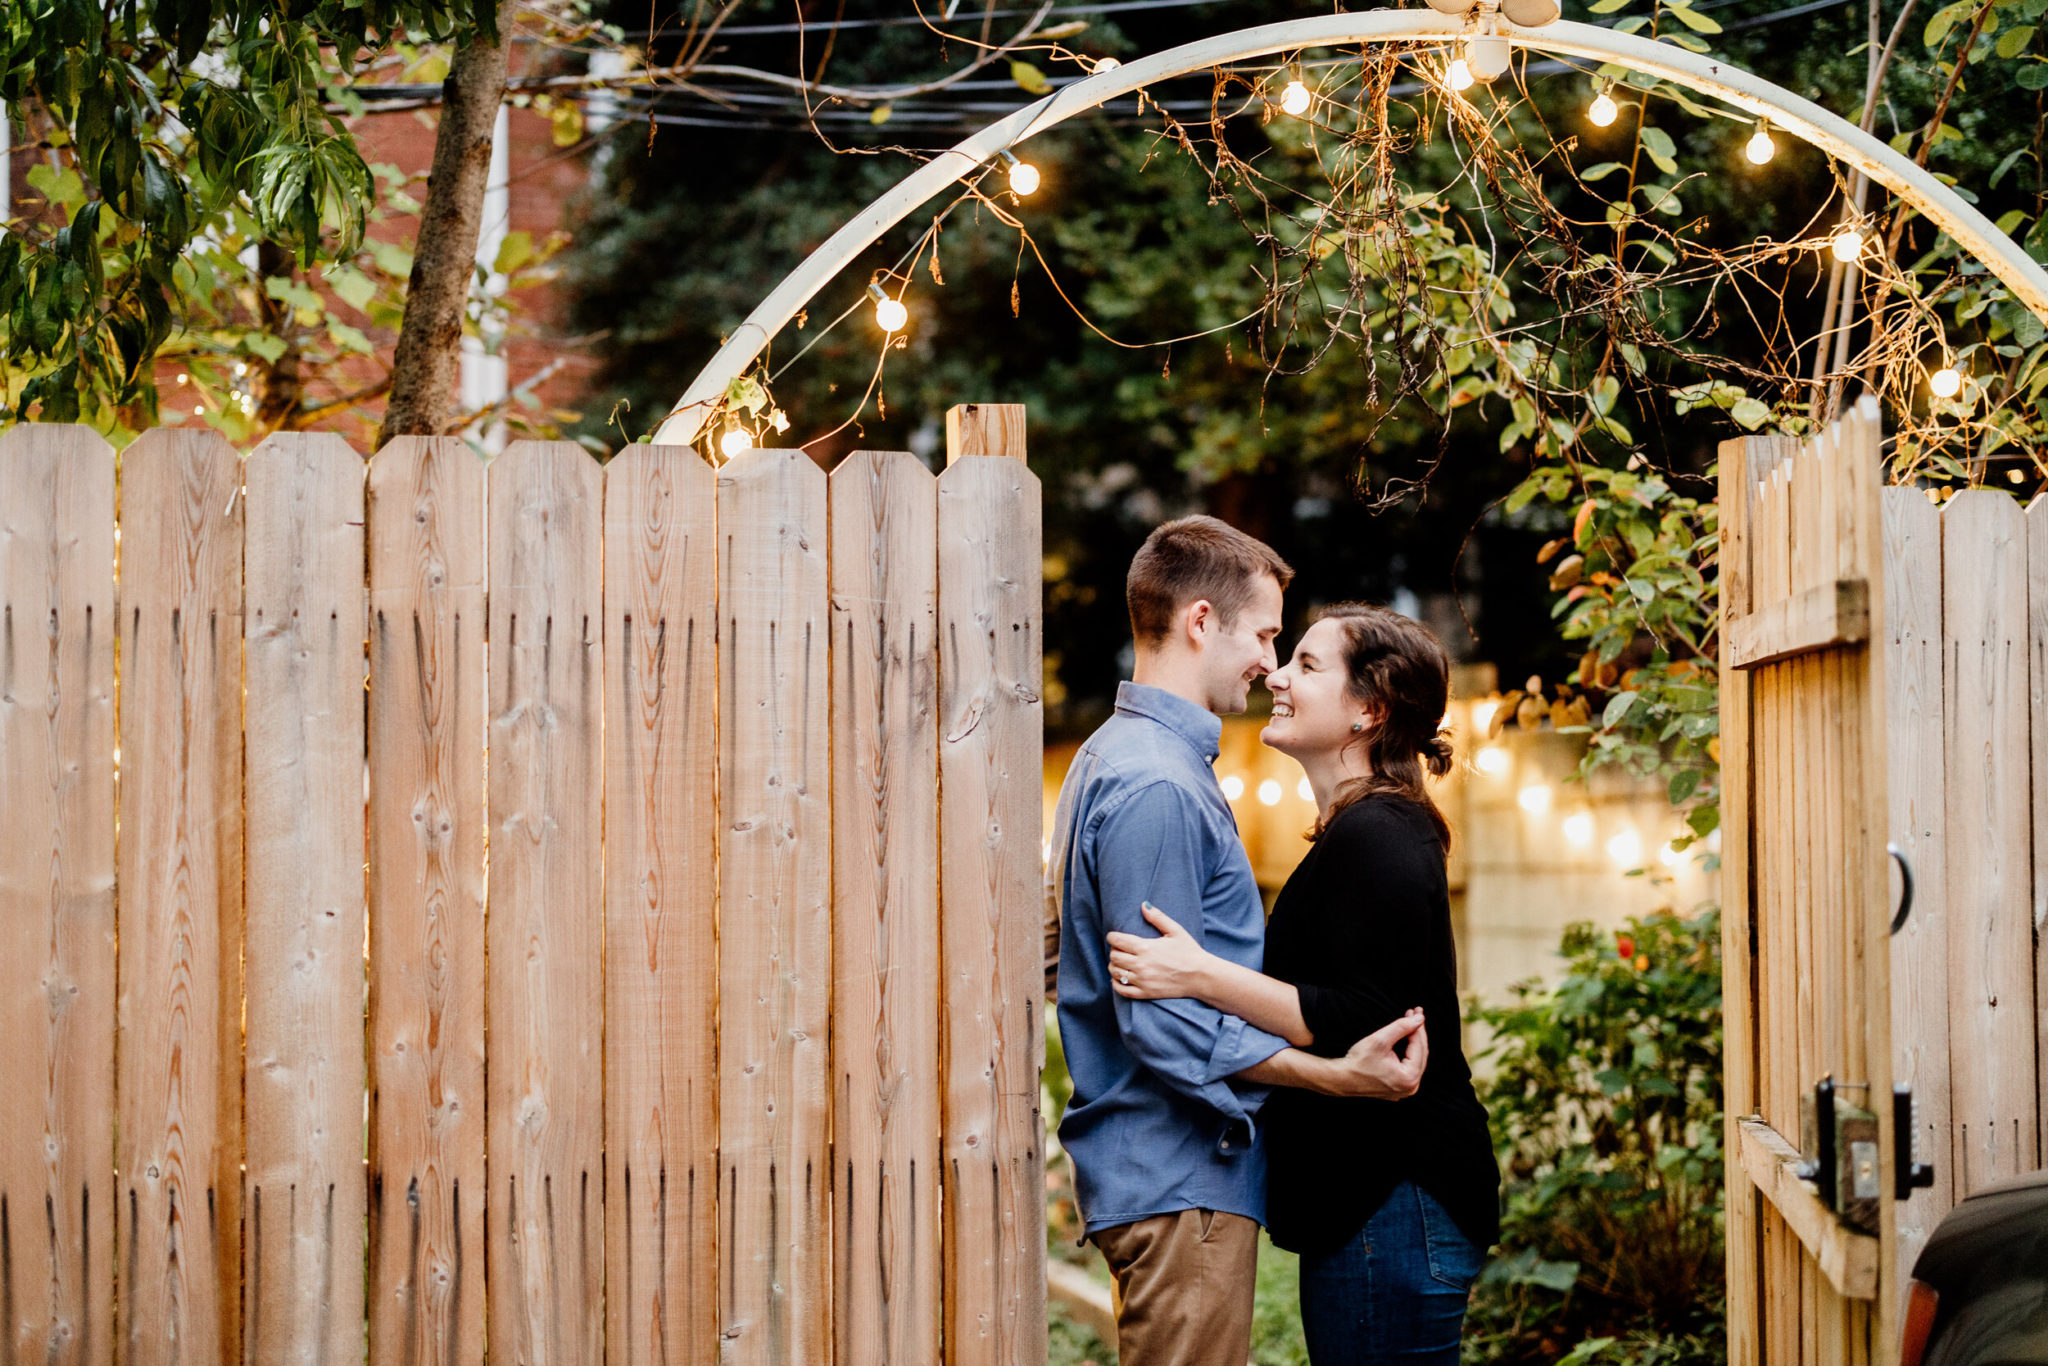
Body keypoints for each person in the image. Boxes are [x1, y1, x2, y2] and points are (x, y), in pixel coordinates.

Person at [1049, 520, 1433, 1366]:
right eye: (1264, 634)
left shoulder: (1116, 758)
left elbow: (1071, 955)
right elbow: (1165, 1021)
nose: (1270, 661)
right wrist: (1330, 1076)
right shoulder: (1158, 783)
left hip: (1172, 1178)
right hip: (1181, 1176)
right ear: (1198, 622)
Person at [1107, 603, 1501, 1366]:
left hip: (1395, 1197)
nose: (1277, 675)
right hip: (1375, 1206)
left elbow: (1364, 1016)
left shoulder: (1380, 831)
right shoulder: (1362, 829)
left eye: (1309, 666)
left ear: (1369, 709)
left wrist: (1200, 974)